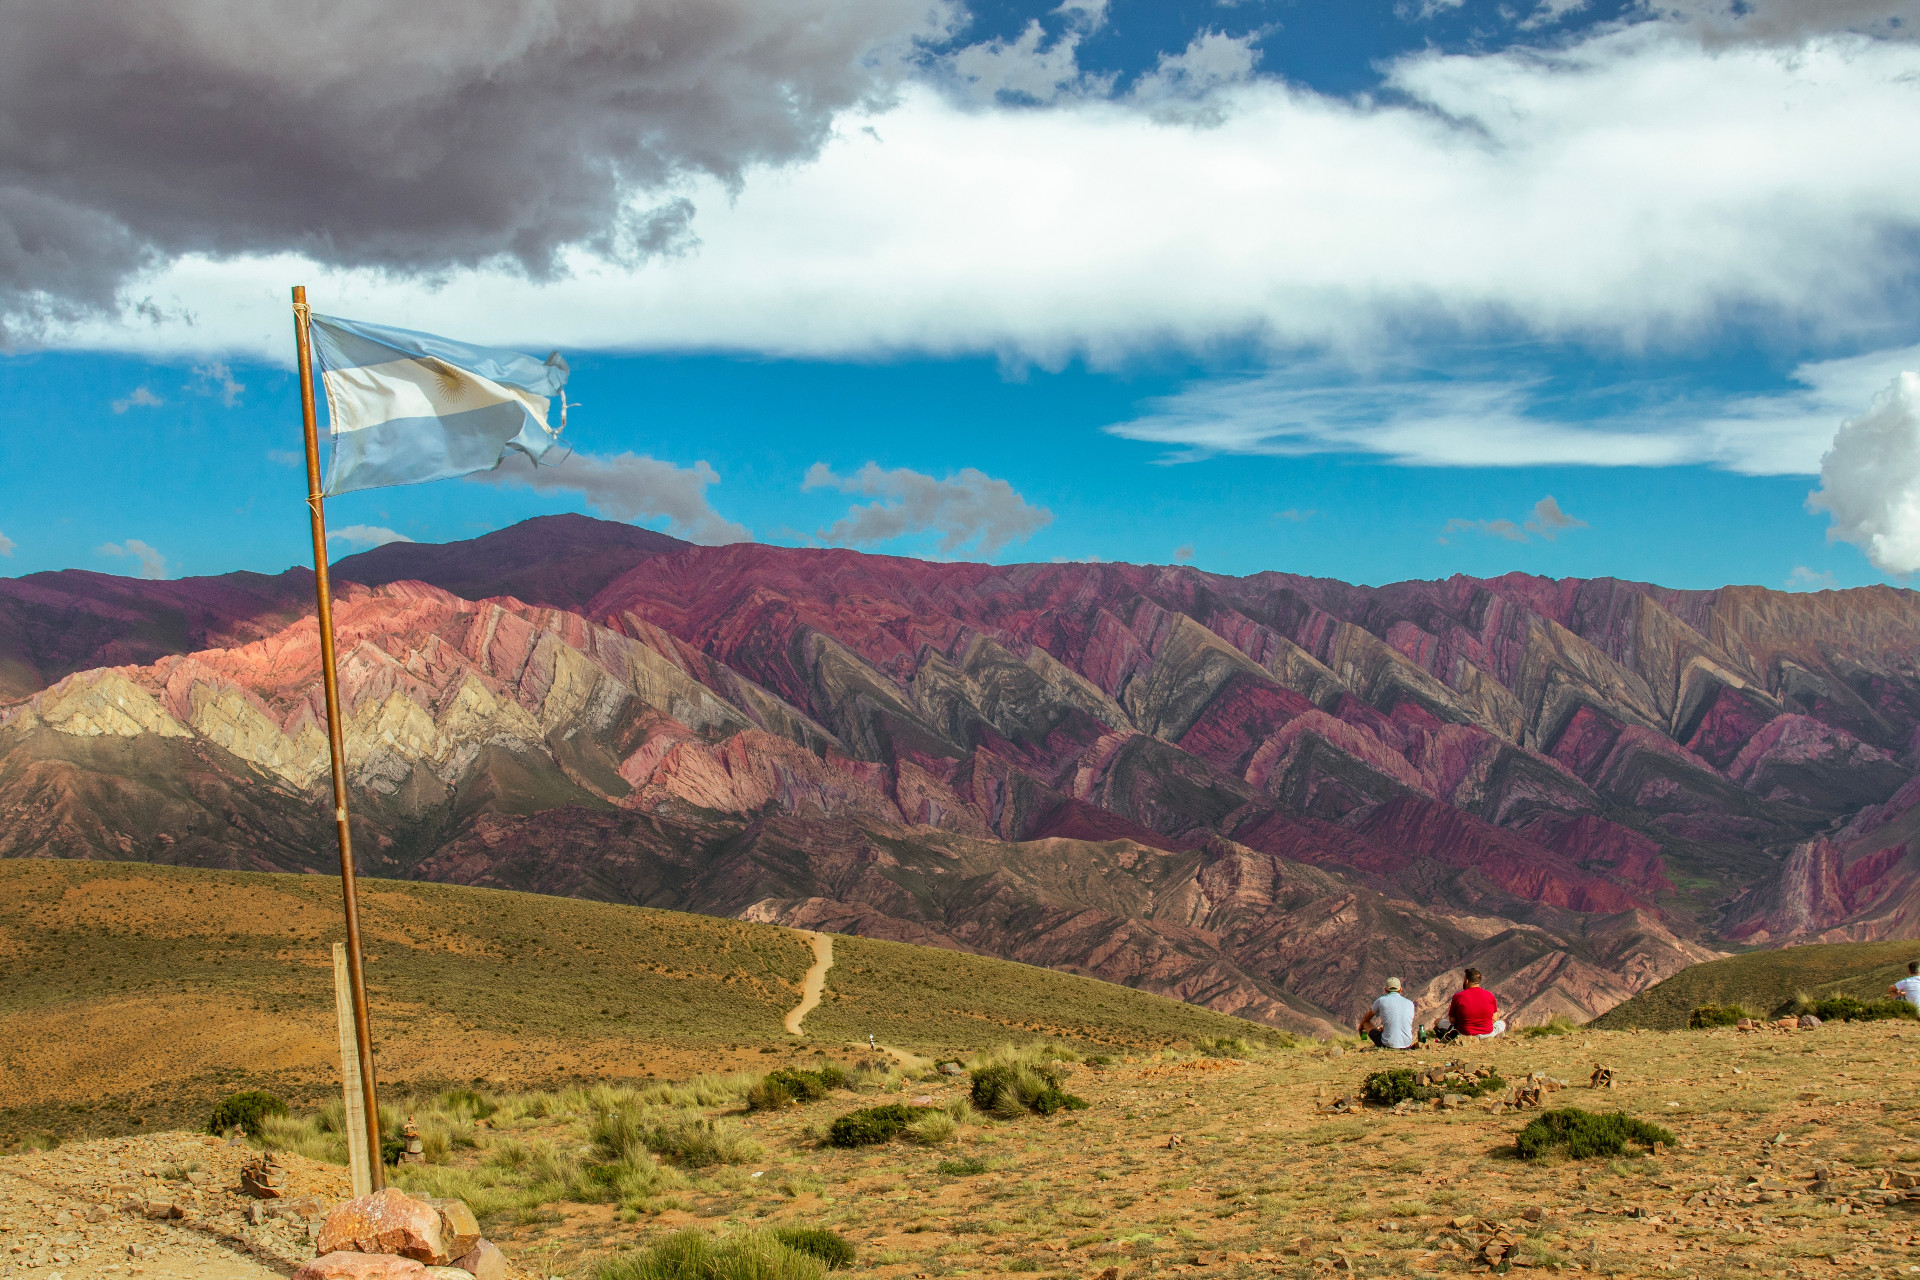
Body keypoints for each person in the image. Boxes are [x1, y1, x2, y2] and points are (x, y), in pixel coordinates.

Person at [1432, 968, 1506, 1041]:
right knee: (1501, 1023)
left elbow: (1452, 1020)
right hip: (1487, 1034)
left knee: (1438, 1021)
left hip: (1464, 1034)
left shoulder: (1458, 996)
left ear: (1467, 981)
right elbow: (1494, 1019)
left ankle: (1449, 1037)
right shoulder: (1490, 995)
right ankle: (1493, 1037)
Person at [1357, 977, 1418, 1050]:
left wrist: (1360, 1028)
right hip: (1407, 1045)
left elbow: (1367, 1018)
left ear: (1385, 990)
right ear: (1400, 989)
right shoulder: (1410, 1003)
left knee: (1366, 1023)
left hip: (1387, 1045)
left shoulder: (1381, 1000)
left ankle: (1364, 1041)